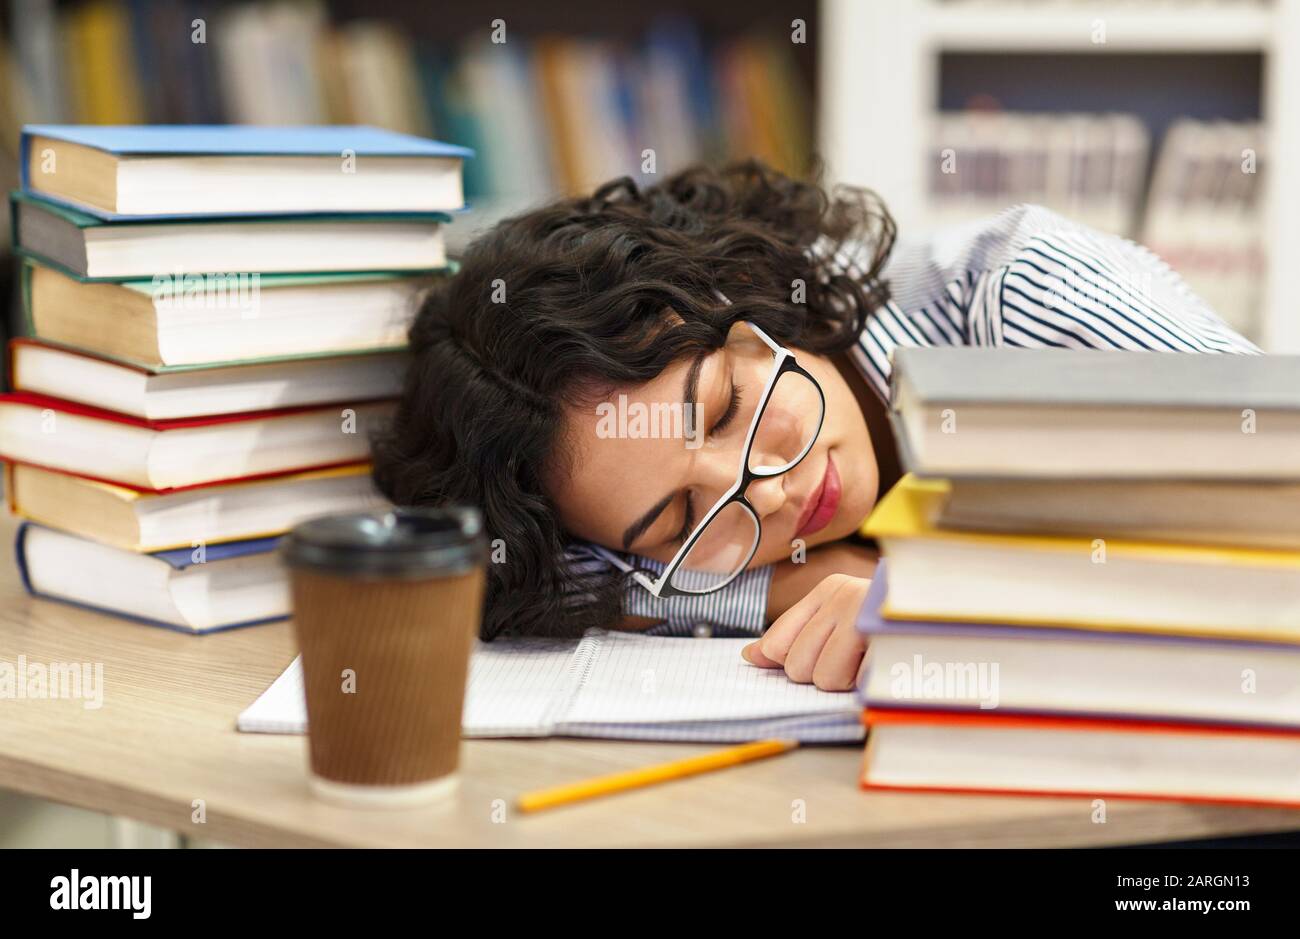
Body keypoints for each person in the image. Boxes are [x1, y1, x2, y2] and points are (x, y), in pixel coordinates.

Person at [372, 160, 1257, 690]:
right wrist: (801, 581)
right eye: (682, 520)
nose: (765, 492)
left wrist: (961, 591)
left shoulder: (1027, 296)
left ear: (741, 298)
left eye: (720, 408)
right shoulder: (632, 517)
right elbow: (545, 581)